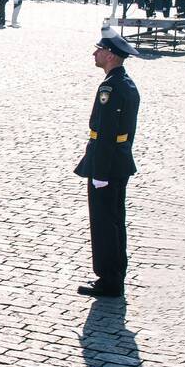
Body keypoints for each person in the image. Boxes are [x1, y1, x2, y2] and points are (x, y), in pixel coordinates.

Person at [74, 32, 140, 298]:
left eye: (99, 50)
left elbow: (106, 133)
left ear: (110, 55)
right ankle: (115, 275)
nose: (95, 54)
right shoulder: (125, 83)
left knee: (104, 223)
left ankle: (109, 279)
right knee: (114, 221)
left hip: (107, 165)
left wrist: (99, 172)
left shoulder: (110, 88)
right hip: (119, 161)